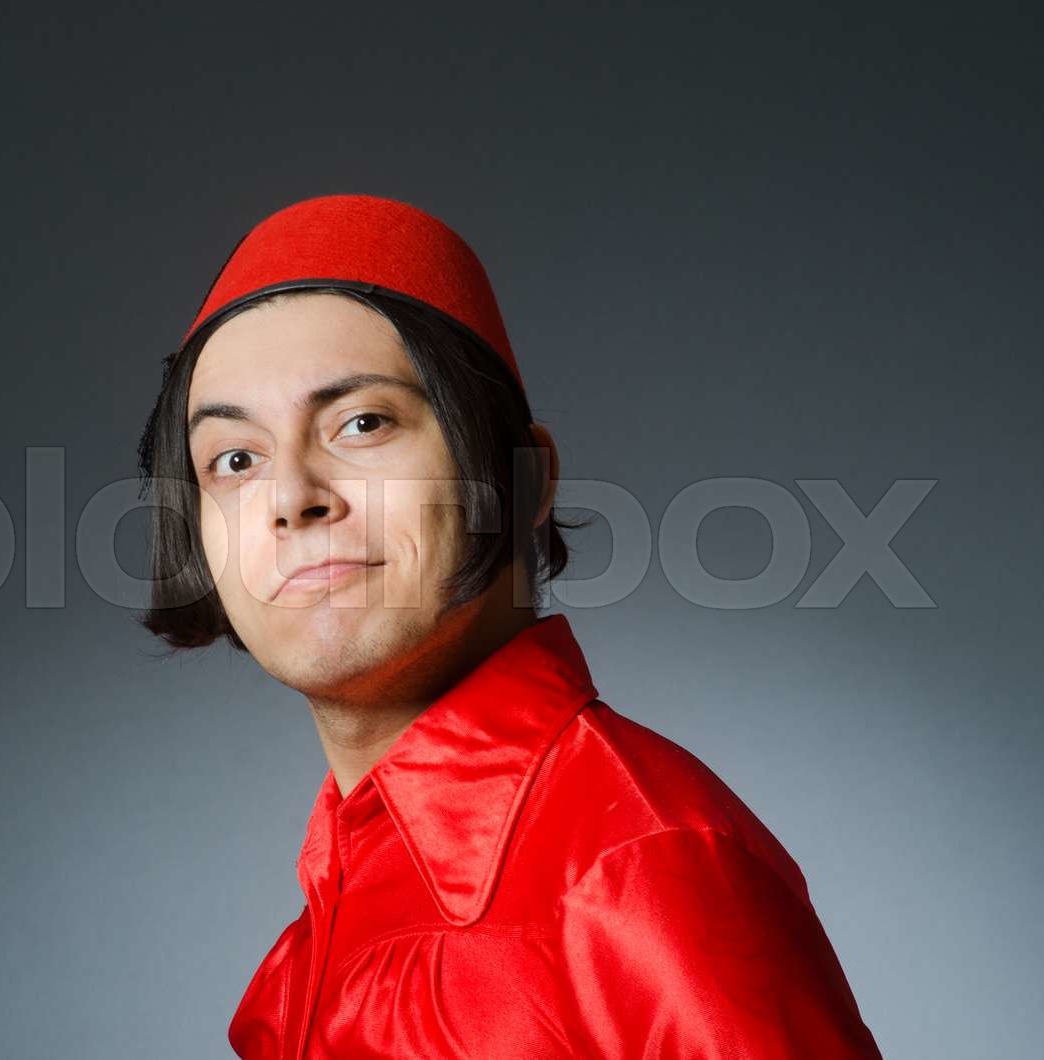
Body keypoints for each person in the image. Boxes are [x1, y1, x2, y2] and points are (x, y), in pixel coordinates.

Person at [135, 193, 883, 1059]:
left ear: (524, 478)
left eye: (364, 422)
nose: (294, 497)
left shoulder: (642, 867)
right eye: (235, 459)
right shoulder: (317, 932)